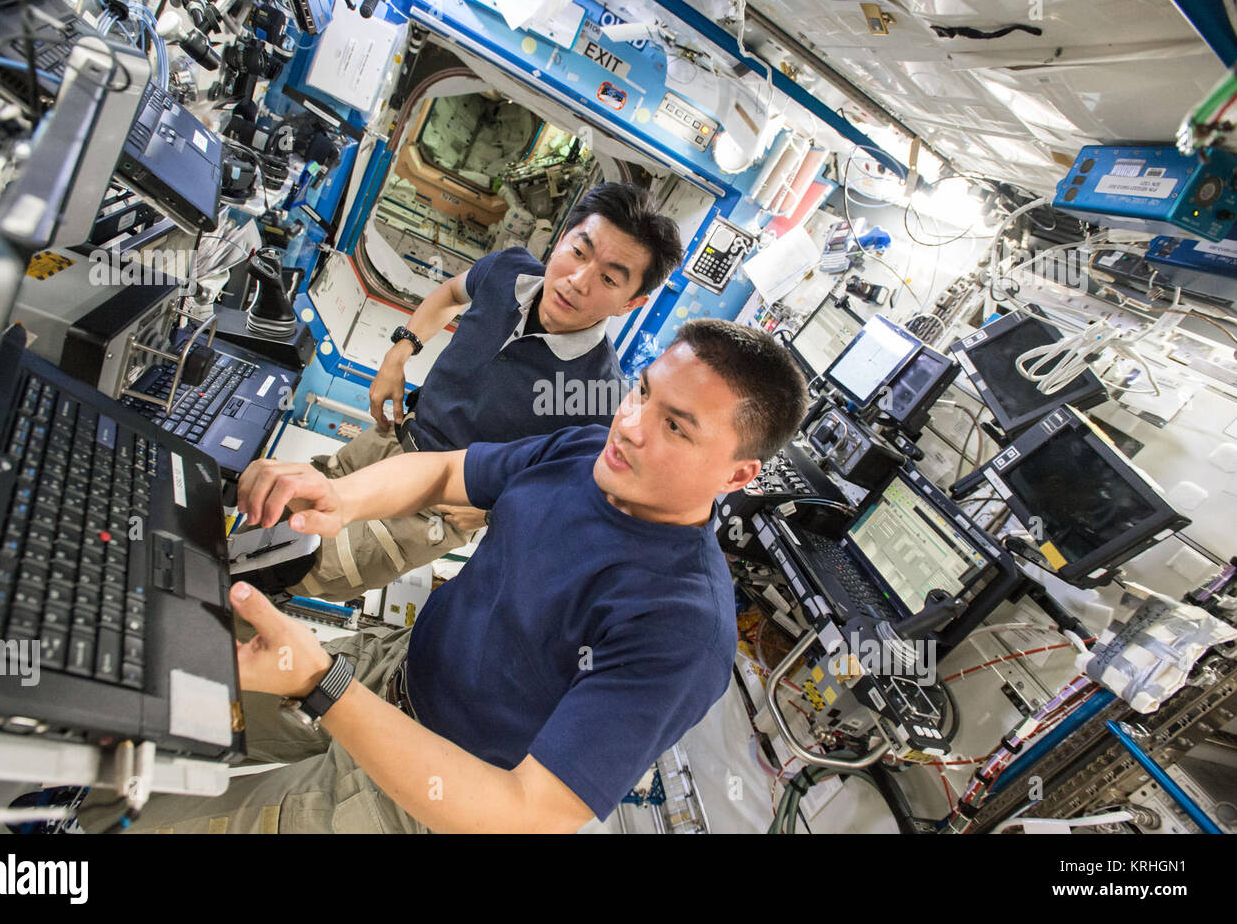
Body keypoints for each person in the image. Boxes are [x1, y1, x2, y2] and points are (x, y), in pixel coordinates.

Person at [92, 319, 808, 833]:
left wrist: (318, 681)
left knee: (149, 822)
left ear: (740, 472)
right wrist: (342, 496)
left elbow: (525, 813)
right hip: (384, 676)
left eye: (676, 425)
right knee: (144, 717)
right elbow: (445, 470)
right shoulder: (589, 449)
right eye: (642, 392)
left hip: (415, 798)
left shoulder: (683, 626)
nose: (631, 424)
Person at [258, 182, 684, 604]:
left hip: (433, 508)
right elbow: (449, 294)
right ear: (559, 242)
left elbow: (568, 494)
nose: (577, 280)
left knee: (294, 568)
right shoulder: (507, 271)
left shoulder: (599, 394)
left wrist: (489, 512)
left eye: (609, 278)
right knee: (276, 515)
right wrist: (400, 352)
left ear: (629, 304)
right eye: (578, 252)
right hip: (392, 438)